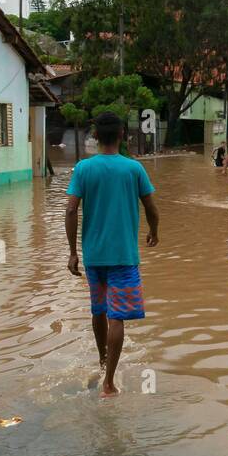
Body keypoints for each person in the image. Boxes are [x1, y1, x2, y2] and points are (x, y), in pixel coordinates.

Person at [65, 111, 160, 398]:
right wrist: (154, 231)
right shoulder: (134, 169)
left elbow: (70, 210)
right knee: (116, 317)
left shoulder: (83, 169)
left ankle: (102, 359)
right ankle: (109, 383)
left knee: (99, 310)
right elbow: (151, 208)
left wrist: (72, 253)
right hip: (124, 257)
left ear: (96, 136)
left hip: (94, 256)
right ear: (122, 135)